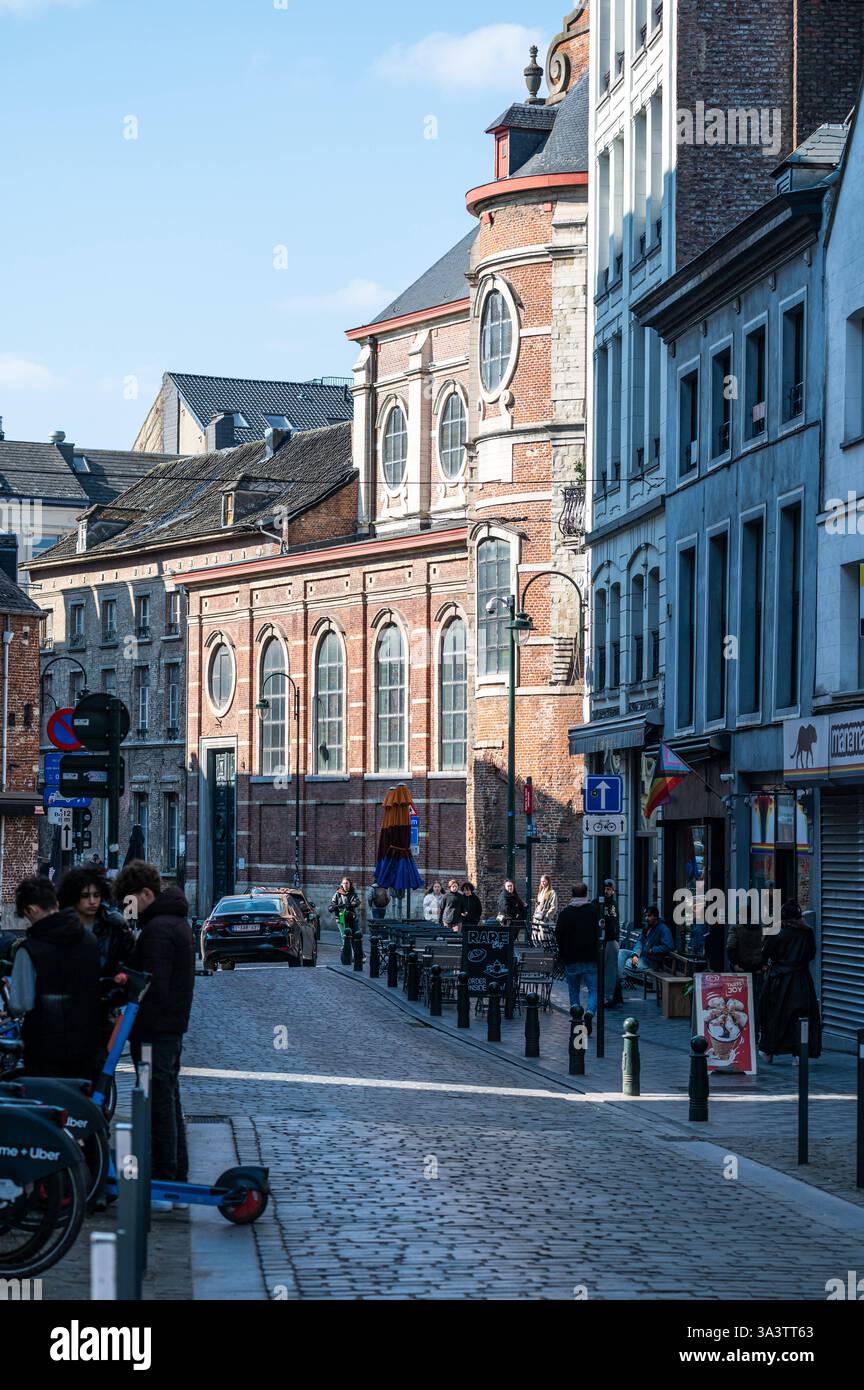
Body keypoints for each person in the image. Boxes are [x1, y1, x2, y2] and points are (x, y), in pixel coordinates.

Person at [115, 861, 195, 1208]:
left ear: (146, 893)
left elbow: (153, 985)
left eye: (131, 901)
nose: (129, 909)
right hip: (170, 1027)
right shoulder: (173, 922)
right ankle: (175, 1179)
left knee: (157, 1104)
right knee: (168, 1099)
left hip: (155, 1029)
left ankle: (163, 1183)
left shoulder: (159, 929)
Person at [8, 876, 102, 1080]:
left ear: (31, 910)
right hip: (85, 1043)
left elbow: (20, 1003)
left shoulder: (29, 950)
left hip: (44, 1048)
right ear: (56, 904)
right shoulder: (89, 941)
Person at [758, 900, 822, 1062]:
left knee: (773, 1015)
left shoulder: (775, 930)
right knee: (800, 1016)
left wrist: (767, 965)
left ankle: (769, 1051)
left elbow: (764, 953)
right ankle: (799, 1053)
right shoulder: (807, 932)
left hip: (778, 979)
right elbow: (811, 954)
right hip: (801, 979)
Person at [57, 865, 136, 979]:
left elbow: (130, 962)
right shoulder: (61, 925)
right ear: (74, 897)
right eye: (85, 896)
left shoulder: (115, 924)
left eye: (96, 895)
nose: (92, 901)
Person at [554, 885, 602, 1034]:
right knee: (594, 990)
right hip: (590, 958)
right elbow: (600, 933)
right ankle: (590, 1013)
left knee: (574, 991)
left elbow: (558, 934)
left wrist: (563, 952)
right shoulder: (594, 911)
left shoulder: (565, 913)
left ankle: (577, 1018)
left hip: (571, 958)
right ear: (586, 894)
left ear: (572, 894)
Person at [618, 905, 674, 980]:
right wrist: (635, 954)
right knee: (621, 953)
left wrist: (652, 950)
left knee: (627, 963)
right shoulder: (647, 928)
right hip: (642, 956)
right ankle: (621, 980)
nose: (646, 918)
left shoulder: (663, 929)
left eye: (649, 916)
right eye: (646, 916)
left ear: (655, 917)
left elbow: (668, 946)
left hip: (651, 961)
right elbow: (640, 942)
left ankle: (623, 979)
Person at [598, 879, 622, 1007]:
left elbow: (616, 922)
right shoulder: (597, 903)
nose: (606, 891)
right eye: (605, 889)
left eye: (609, 889)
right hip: (601, 941)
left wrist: (617, 939)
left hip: (612, 941)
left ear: (613, 890)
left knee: (611, 971)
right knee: (601, 970)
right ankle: (603, 995)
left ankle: (610, 996)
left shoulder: (614, 904)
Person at [329, 877, 361, 944]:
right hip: (341, 918)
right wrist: (333, 907)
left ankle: (356, 953)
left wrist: (355, 903)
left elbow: (357, 901)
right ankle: (345, 953)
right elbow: (332, 904)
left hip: (351, 917)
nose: (345, 885)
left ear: (350, 884)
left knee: (355, 937)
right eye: (344, 883)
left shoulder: (353, 893)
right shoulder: (337, 894)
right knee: (345, 938)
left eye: (347, 883)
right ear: (341, 884)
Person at [531, 875, 558, 947]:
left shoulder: (552, 892)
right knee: (536, 937)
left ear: (548, 881)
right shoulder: (541, 892)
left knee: (544, 937)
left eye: (544, 881)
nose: (542, 883)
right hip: (537, 918)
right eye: (541, 881)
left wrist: (547, 917)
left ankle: (546, 953)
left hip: (544, 919)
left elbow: (554, 907)